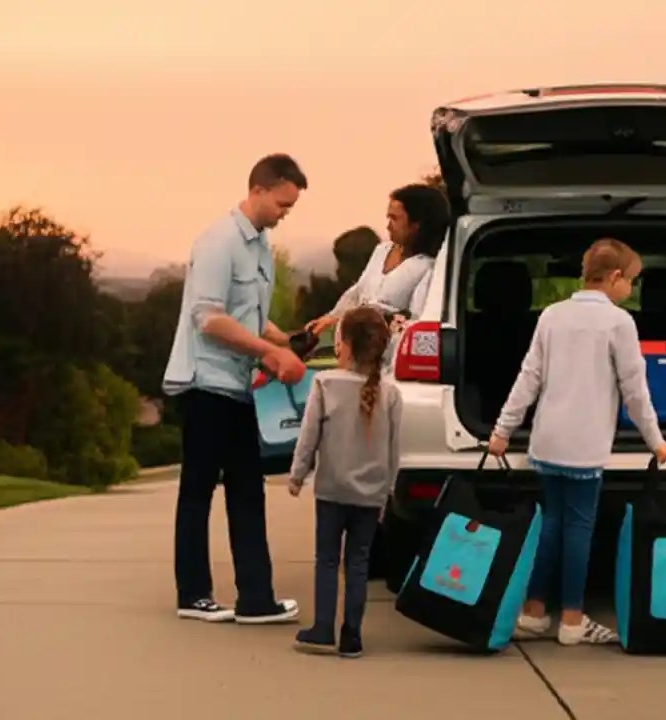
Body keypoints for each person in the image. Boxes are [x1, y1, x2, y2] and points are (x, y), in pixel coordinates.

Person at [487, 237, 666, 646]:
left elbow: (529, 377)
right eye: (632, 283)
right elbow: (635, 390)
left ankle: (534, 611)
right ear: (616, 277)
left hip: (547, 441)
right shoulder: (619, 323)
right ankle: (572, 619)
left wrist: (502, 430)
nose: (631, 292)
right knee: (579, 528)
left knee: (552, 522)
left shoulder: (552, 315)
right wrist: (655, 441)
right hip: (584, 445)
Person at [162, 153, 310, 625]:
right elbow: (209, 317)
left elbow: (246, 314)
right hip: (206, 384)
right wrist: (269, 355)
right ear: (261, 189)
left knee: (248, 491)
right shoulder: (218, 242)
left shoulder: (259, 245)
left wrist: (284, 340)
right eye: (283, 203)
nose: (286, 213)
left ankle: (256, 598)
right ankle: (193, 595)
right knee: (198, 491)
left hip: (237, 386)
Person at [287, 306, 402, 658]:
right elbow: (394, 450)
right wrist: (388, 492)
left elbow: (309, 436)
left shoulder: (325, 383)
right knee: (358, 562)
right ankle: (352, 635)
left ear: (345, 346)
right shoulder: (392, 394)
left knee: (326, 560)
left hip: (331, 490)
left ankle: (322, 629)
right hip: (370, 496)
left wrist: (297, 474)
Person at [304, 183, 450, 337]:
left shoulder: (427, 267)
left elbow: (416, 319)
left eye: (394, 219)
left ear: (416, 225)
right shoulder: (381, 251)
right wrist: (331, 317)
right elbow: (358, 291)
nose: (388, 226)